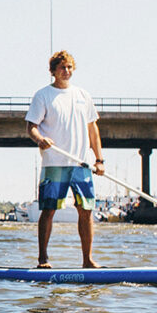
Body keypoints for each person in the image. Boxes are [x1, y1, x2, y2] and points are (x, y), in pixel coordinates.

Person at [25, 50, 105, 268]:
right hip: (54, 162)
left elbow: (92, 129)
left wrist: (99, 160)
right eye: (62, 67)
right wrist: (40, 139)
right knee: (49, 210)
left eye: (69, 67)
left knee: (86, 211)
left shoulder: (83, 95)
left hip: (81, 164)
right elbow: (31, 127)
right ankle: (43, 259)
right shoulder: (43, 95)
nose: (66, 71)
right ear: (53, 71)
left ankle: (87, 260)